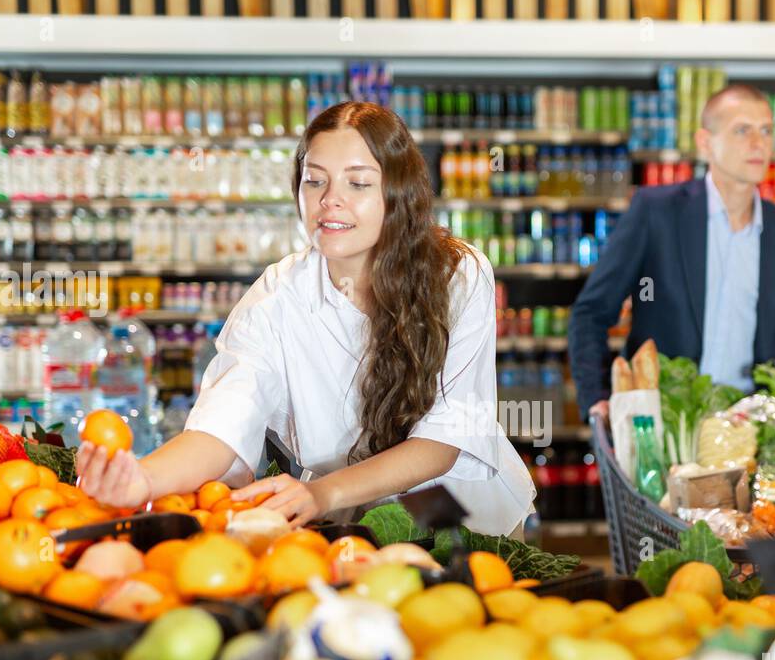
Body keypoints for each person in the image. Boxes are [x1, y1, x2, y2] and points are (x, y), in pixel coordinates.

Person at [74, 101, 535, 538]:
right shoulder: (279, 296)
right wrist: (143, 480)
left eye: (357, 183)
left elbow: (443, 440)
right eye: (315, 181)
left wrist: (322, 492)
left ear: (397, 194)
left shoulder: (457, 274)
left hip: (466, 515)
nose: (330, 200)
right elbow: (224, 422)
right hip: (354, 522)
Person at [569, 83, 775, 422]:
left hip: (753, 432)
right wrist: (596, 398)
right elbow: (592, 312)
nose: (758, 144)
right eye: (742, 130)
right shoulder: (656, 213)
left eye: (766, 130)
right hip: (664, 423)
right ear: (705, 143)